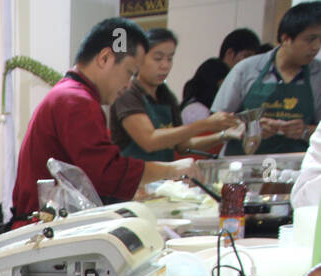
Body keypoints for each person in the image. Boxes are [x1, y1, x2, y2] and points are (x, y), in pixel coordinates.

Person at [11, 17, 194, 226]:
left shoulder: (73, 95)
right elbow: (107, 172)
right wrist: (172, 170)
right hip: (43, 229)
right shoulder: (75, 100)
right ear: (105, 58)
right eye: (129, 72)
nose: (128, 84)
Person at [110, 29, 238, 161]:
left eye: (170, 58)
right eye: (158, 58)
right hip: (134, 179)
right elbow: (149, 141)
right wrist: (206, 124)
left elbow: (183, 145)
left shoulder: (166, 96)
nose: (165, 65)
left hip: (163, 177)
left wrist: (224, 136)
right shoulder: (127, 94)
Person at [211, 2, 321, 154]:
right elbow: (214, 121)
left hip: (294, 168)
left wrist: (305, 131)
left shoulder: (318, 76)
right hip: (241, 165)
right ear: (286, 38)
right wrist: (252, 127)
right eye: (310, 39)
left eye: (320, 40)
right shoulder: (247, 69)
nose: (316, 47)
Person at [179, 28, 260, 124]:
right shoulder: (197, 108)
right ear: (230, 54)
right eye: (246, 56)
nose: (251, 63)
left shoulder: (246, 86)